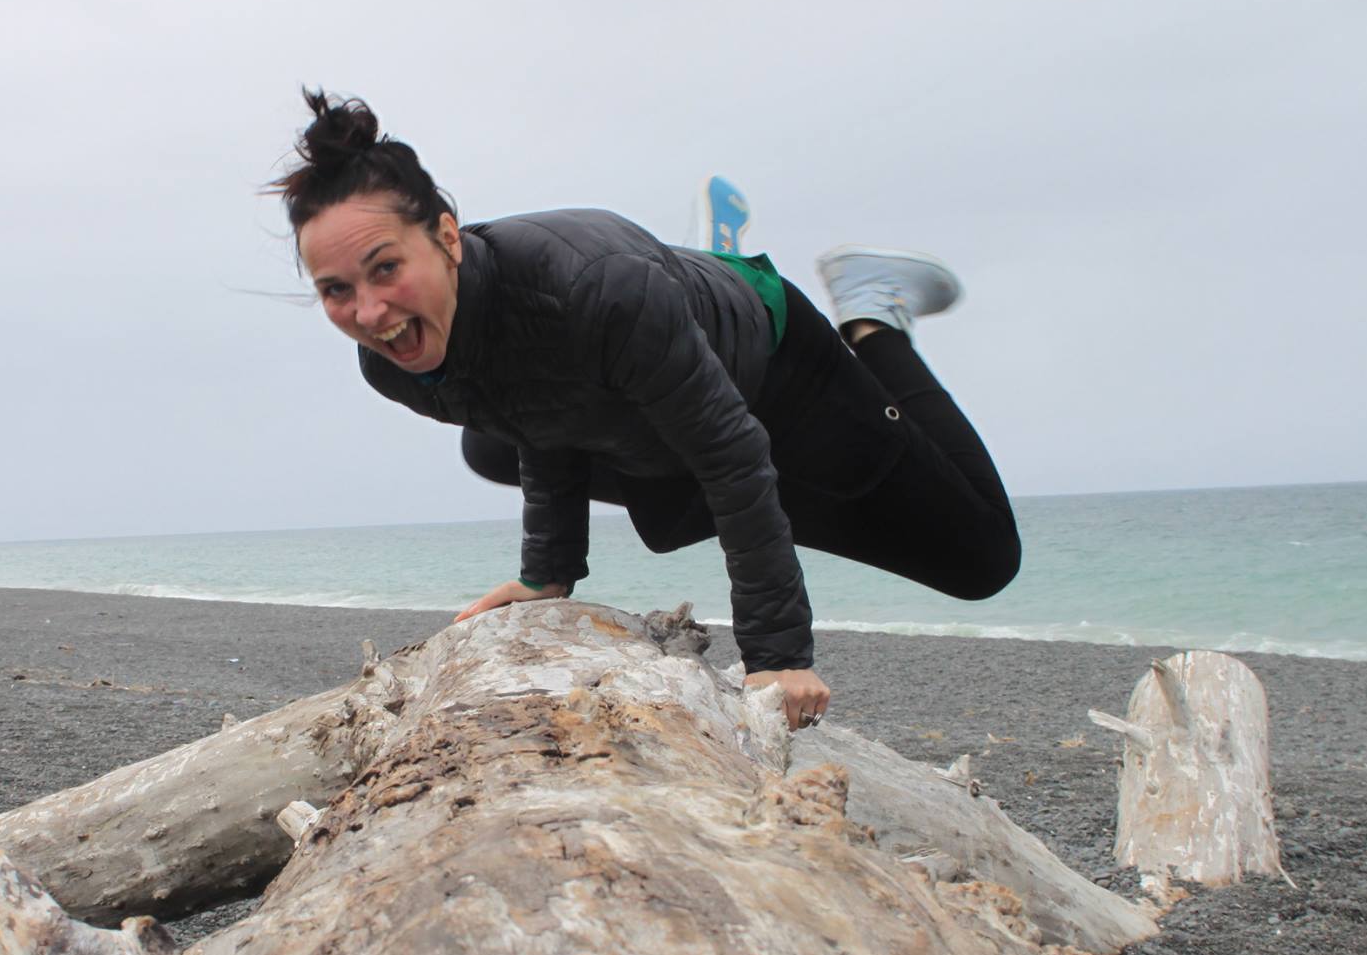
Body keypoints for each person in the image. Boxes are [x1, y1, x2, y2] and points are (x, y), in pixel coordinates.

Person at [275, 91, 1020, 730]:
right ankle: (699, 276)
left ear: (446, 238)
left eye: (386, 269)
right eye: (336, 290)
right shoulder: (392, 363)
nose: (370, 312)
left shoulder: (597, 289)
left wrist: (777, 656)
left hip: (778, 368)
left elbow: (730, 454)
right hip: (649, 349)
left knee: (982, 557)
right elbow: (534, 407)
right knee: (490, 448)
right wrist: (547, 576)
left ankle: (872, 314)